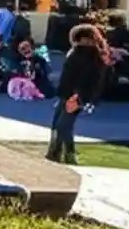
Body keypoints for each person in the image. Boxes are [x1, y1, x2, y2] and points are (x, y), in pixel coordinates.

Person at [47, 24, 107, 164]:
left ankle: (65, 153)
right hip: (67, 94)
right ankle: (59, 153)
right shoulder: (77, 53)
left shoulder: (91, 57)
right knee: (59, 125)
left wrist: (79, 97)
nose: (83, 42)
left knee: (62, 125)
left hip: (75, 96)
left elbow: (90, 80)